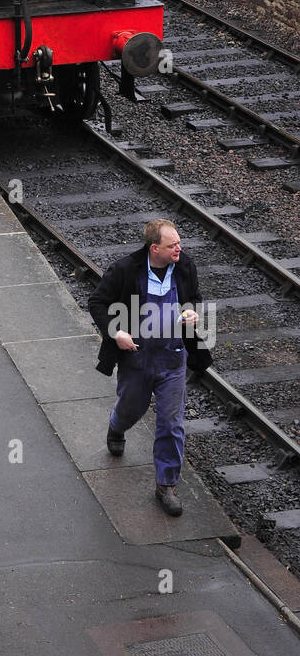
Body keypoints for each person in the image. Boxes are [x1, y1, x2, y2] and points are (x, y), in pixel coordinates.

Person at [89, 219, 203, 517]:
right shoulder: (126, 269)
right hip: (137, 358)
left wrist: (190, 309)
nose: (179, 248)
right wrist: (116, 332)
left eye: (179, 243)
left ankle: (166, 485)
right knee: (131, 408)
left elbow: (193, 296)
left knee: (171, 422)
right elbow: (97, 302)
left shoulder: (185, 266)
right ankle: (117, 425)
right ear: (155, 248)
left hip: (173, 357)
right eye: (172, 245)